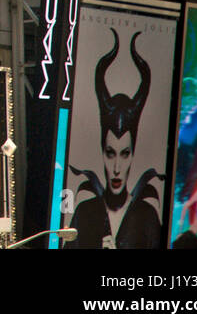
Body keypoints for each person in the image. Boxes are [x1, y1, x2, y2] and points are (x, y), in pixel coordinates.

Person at [65, 30, 164, 249]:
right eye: (110, 153)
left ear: (133, 154)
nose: (117, 167)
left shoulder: (148, 217)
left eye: (124, 153)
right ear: (102, 151)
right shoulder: (84, 213)